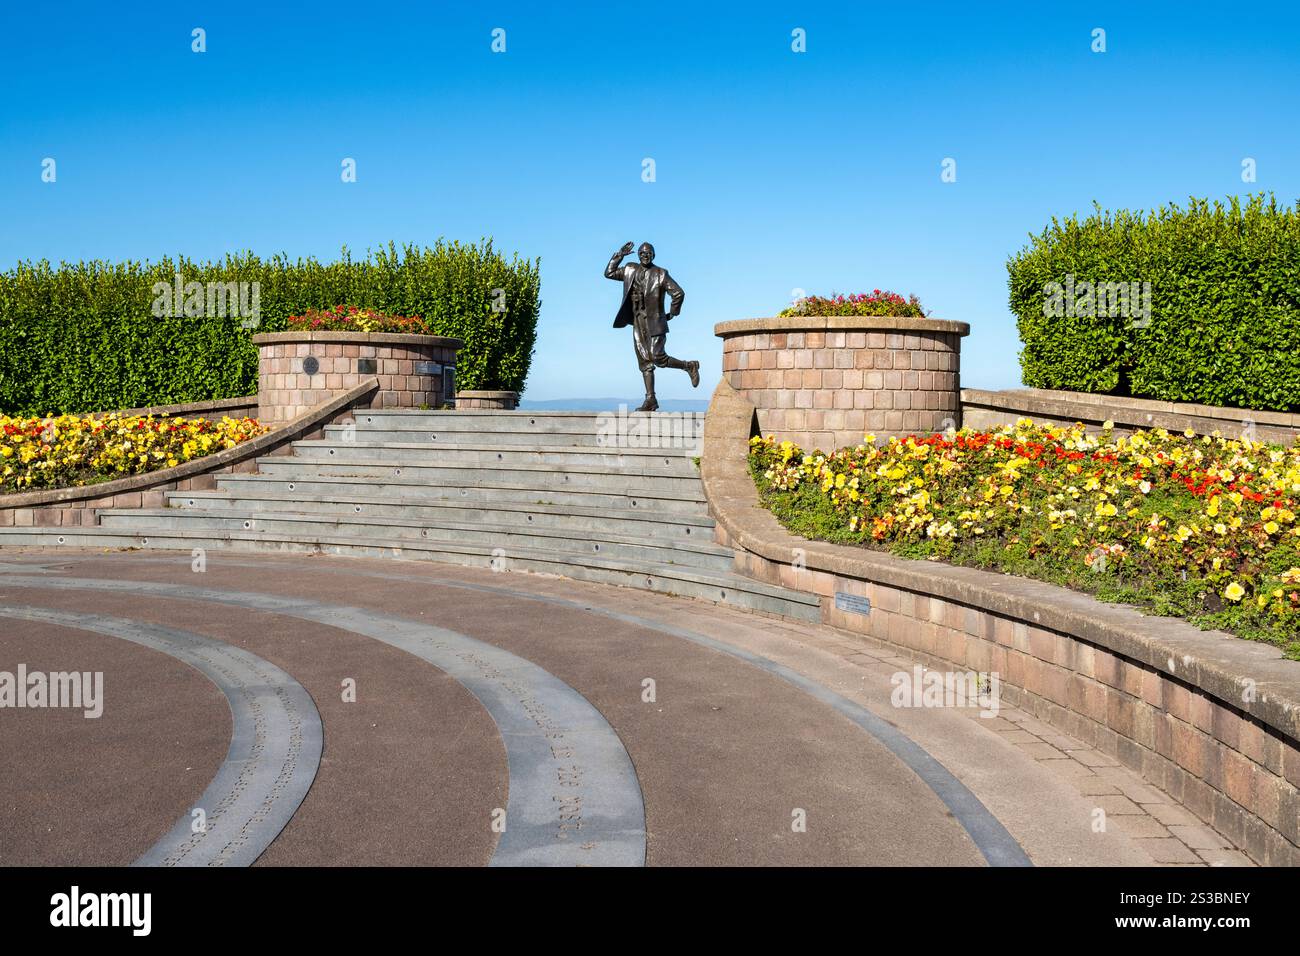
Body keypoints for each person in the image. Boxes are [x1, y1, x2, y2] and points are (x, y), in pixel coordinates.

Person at [604, 241, 700, 412]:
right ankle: (651, 399)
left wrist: (672, 313)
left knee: (657, 357)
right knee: (644, 361)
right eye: (642, 253)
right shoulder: (629, 269)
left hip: (655, 322)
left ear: (653, 255)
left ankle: (689, 366)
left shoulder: (661, 274)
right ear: (638, 255)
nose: (645, 256)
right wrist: (619, 255)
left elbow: (678, 293)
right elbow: (609, 273)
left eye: (648, 253)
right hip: (637, 320)